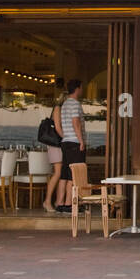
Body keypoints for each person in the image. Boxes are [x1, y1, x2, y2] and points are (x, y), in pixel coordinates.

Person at [44, 79, 85, 213]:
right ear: (78, 88)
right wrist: (81, 140)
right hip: (73, 141)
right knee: (74, 174)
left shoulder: (65, 105)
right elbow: (76, 122)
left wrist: (65, 136)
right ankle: (69, 204)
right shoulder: (74, 104)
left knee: (65, 174)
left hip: (65, 142)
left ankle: (61, 203)